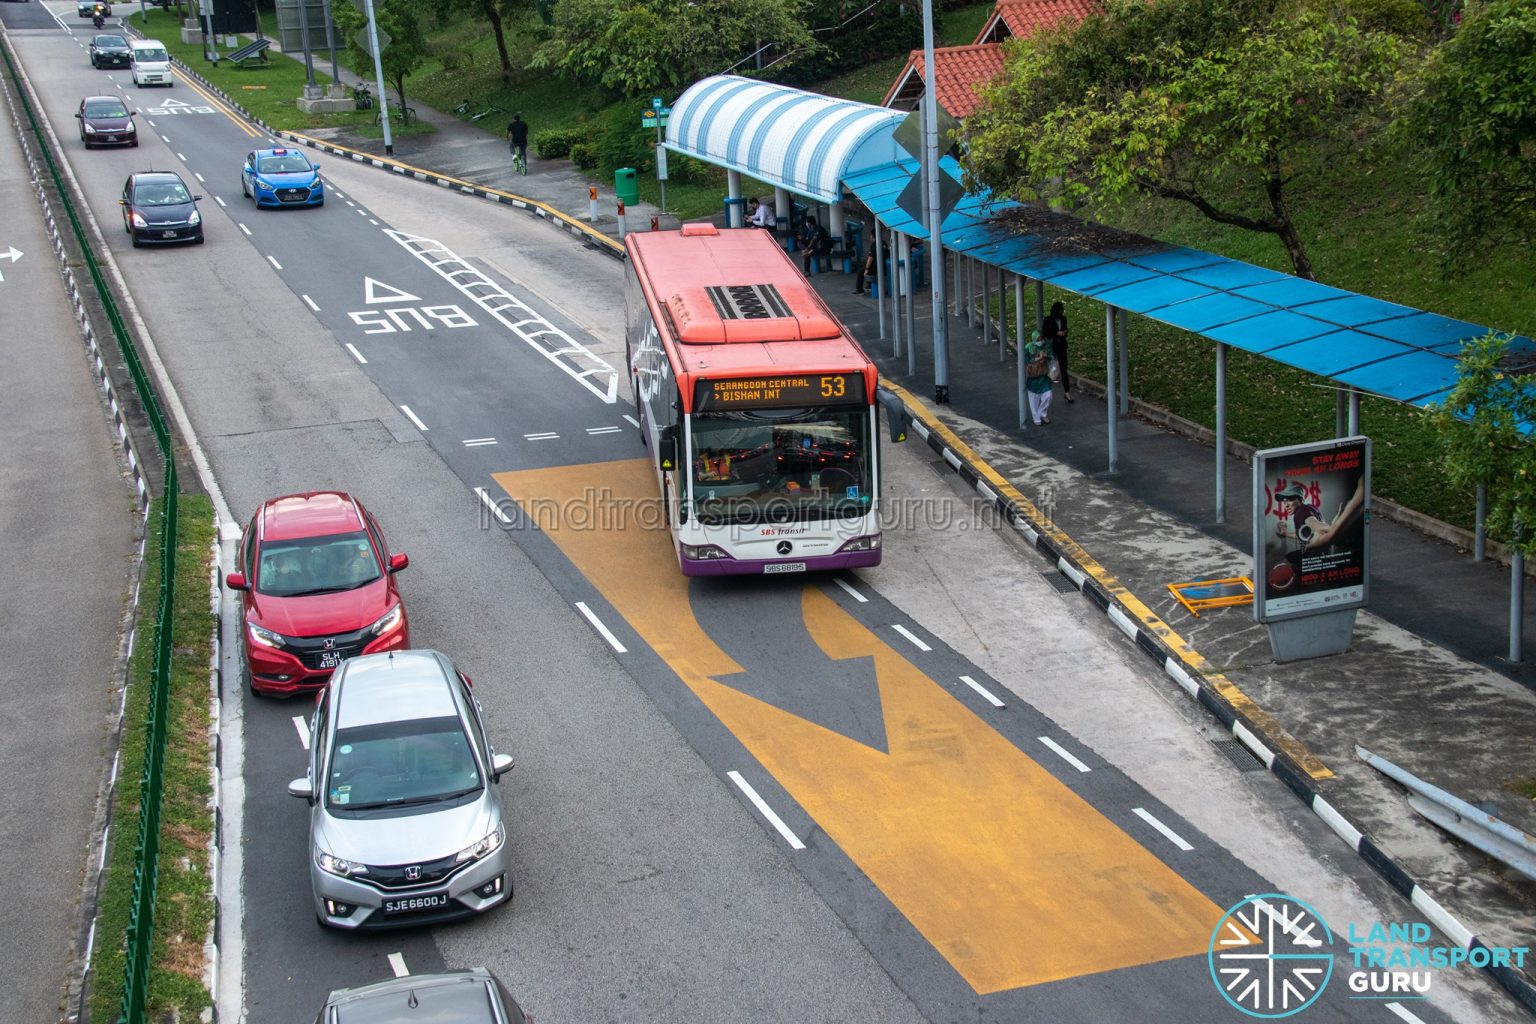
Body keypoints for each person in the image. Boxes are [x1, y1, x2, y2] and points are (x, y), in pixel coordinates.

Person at [1042, 300, 1073, 402]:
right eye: (1059, 311)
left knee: (1064, 369)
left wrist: (1064, 332)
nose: (1061, 313)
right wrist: (1056, 333)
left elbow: (1065, 329)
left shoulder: (1064, 319)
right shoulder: (1048, 320)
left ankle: (1067, 392)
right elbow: (1045, 332)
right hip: (1052, 347)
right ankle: (1045, 391)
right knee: (1050, 369)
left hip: (1062, 346)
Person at [1023, 330, 1054, 425]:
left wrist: (1046, 356)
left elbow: (1052, 356)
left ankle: (1042, 413)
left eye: (1041, 338)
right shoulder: (1028, 347)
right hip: (1033, 377)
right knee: (1034, 399)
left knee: (1048, 395)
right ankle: (1036, 417)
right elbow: (1025, 359)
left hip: (1044, 376)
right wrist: (1036, 359)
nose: (1040, 341)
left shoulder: (1046, 347)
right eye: (1038, 339)